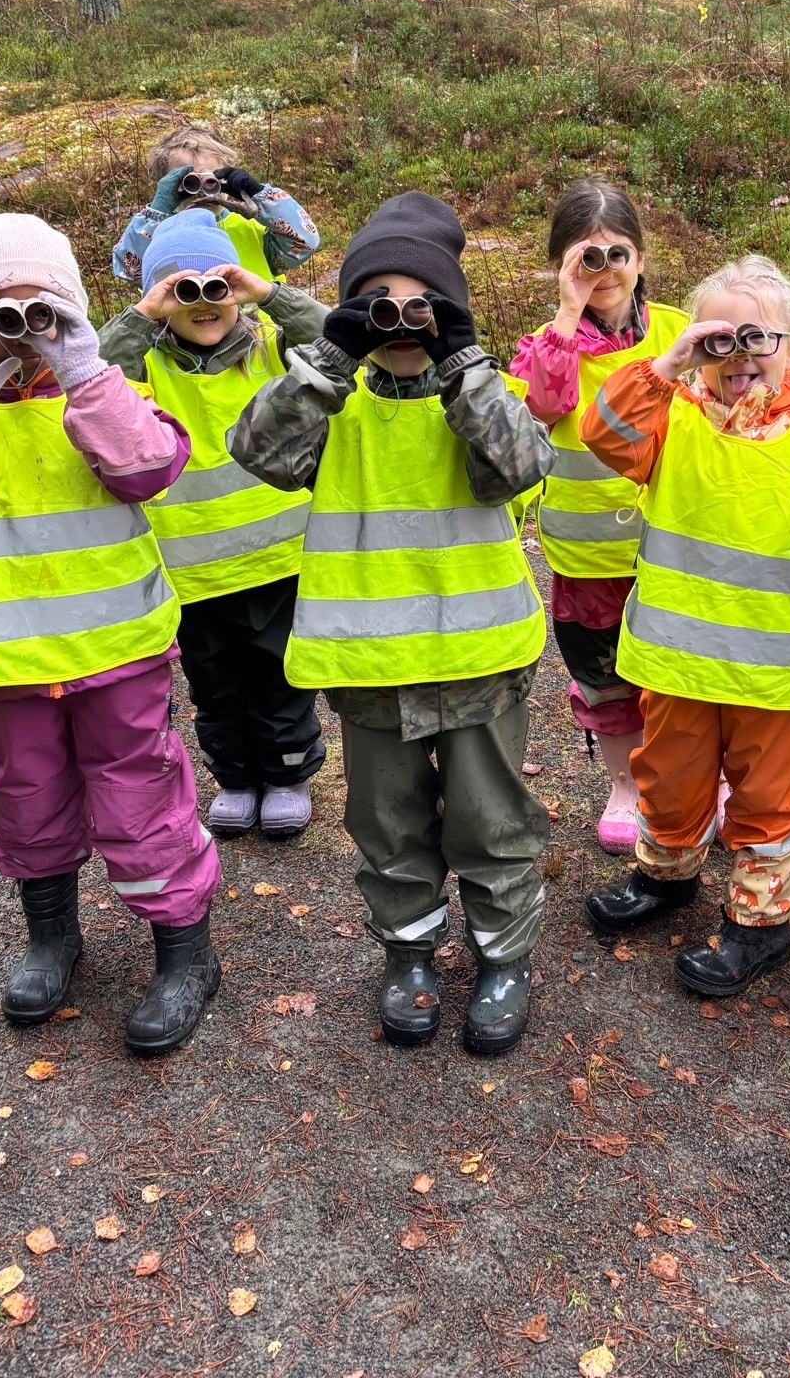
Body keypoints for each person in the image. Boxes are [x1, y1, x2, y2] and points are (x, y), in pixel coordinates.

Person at [0, 211, 223, 1056]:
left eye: (46, 312)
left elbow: (147, 467)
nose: (25, 332)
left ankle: (185, 950)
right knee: (25, 799)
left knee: (140, 797)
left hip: (116, 655)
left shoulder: (107, 397)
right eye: (3, 314)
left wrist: (85, 371)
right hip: (3, 666)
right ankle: (51, 935)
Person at [230, 191, 552, 1056]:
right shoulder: (331, 404)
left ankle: (502, 956)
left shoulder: (482, 396)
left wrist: (464, 364)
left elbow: (522, 465)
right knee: (387, 822)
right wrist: (328, 359)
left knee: (489, 821)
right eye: (376, 305)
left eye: (423, 306)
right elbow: (258, 453)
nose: (401, 322)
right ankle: (407, 952)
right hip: (367, 664)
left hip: (478, 660)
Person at [580, 254, 790, 998]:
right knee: (668, 780)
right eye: (719, 339)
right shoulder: (672, 420)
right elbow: (603, 434)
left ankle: (760, 924)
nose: (739, 356)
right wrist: (664, 366)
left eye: (758, 339)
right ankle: (667, 874)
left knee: (767, 800)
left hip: (776, 678)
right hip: (677, 663)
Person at [98, 208, 328, 839]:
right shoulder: (150, 368)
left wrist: (268, 294)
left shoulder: (271, 348)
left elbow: (338, 341)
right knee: (214, 685)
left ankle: (287, 774)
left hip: (279, 559)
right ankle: (234, 777)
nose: (203, 303)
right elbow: (90, 381)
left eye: (216, 286)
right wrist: (142, 316)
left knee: (281, 678)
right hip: (190, 570)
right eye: (183, 291)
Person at [512, 179, 690, 851]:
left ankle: (698, 778)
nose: (605, 271)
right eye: (587, 257)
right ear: (561, 265)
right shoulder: (545, 345)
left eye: (618, 254)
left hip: (674, 547)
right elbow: (540, 406)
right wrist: (567, 312)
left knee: (682, 674)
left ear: (641, 258)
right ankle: (626, 786)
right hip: (587, 555)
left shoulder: (679, 331)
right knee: (605, 678)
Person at [113, 121, 320, 286]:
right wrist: (157, 213)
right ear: (167, 185)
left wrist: (259, 195)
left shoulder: (252, 228)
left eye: (212, 180)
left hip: (259, 328)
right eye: (189, 182)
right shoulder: (161, 235)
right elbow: (130, 272)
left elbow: (304, 243)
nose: (201, 190)